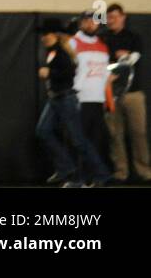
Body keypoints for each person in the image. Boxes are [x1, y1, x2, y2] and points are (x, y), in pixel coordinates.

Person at [36, 18, 111, 187]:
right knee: (43, 130)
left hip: (65, 98)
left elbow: (69, 72)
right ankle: (66, 167)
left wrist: (50, 72)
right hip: (55, 98)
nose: (43, 37)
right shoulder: (52, 50)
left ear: (55, 35)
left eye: (46, 34)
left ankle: (101, 173)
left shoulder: (62, 50)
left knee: (78, 140)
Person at [102, 3, 149, 182]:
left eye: (115, 16)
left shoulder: (134, 37)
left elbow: (134, 58)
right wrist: (122, 60)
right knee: (115, 134)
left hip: (133, 94)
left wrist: (123, 60)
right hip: (110, 94)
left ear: (123, 17)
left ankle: (144, 170)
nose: (112, 20)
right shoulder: (103, 39)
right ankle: (121, 172)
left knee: (139, 132)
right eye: (109, 17)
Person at [70, 10, 111, 163]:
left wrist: (108, 100)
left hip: (98, 101)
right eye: (87, 20)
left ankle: (93, 178)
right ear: (81, 23)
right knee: (78, 141)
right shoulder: (72, 43)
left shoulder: (103, 47)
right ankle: (78, 178)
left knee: (96, 140)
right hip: (79, 100)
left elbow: (105, 76)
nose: (91, 24)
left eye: (94, 21)